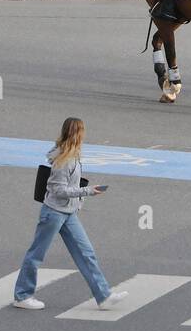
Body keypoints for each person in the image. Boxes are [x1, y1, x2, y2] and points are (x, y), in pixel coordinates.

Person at [13, 117, 128, 311]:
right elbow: (58, 190)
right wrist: (87, 191)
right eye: (82, 132)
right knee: (36, 254)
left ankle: (103, 296)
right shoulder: (63, 160)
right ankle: (22, 295)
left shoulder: (71, 155)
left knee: (86, 253)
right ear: (77, 134)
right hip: (53, 213)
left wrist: (78, 199)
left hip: (68, 213)